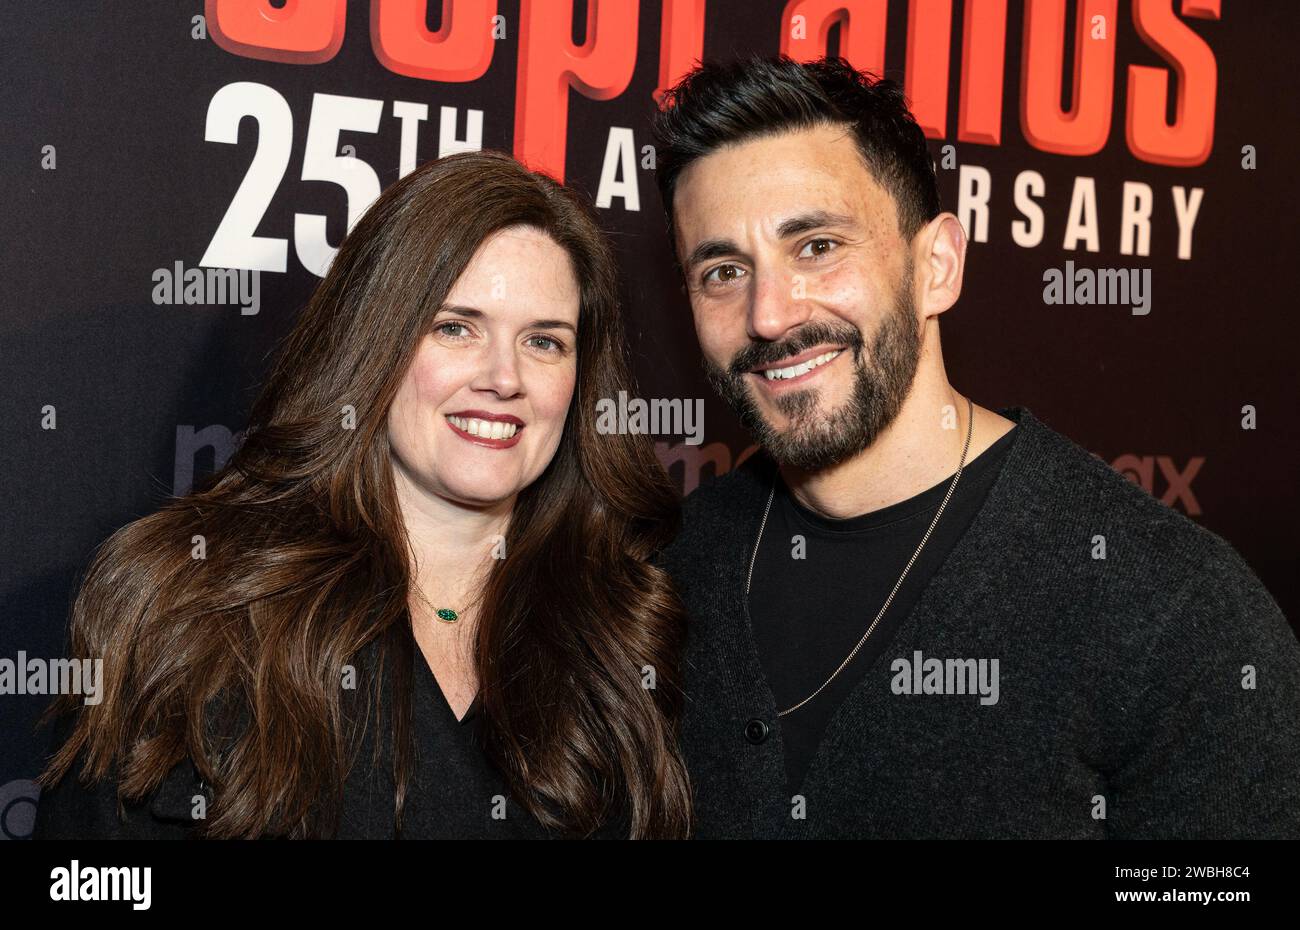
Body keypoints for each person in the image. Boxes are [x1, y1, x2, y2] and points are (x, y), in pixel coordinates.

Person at [650, 56, 1300, 838]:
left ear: (938, 266)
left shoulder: (1175, 610)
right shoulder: (665, 573)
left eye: (818, 246)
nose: (768, 314)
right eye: (723, 270)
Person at [32, 150, 692, 839]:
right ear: (374, 340)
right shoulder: (191, 601)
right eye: (454, 327)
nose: (505, 376)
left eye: (545, 342)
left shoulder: (627, 625)